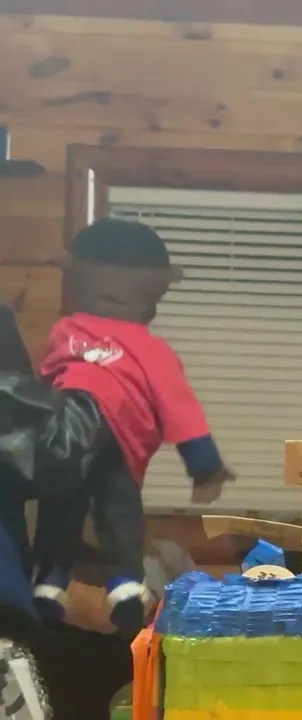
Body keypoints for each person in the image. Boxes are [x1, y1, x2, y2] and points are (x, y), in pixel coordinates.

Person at [0, 218, 234, 638]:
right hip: (114, 443)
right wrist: (204, 463)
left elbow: (43, 385)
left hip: (71, 436)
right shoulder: (150, 349)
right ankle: (124, 587)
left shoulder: (66, 331)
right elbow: (179, 407)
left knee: (62, 510)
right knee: (119, 515)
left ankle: (50, 584)